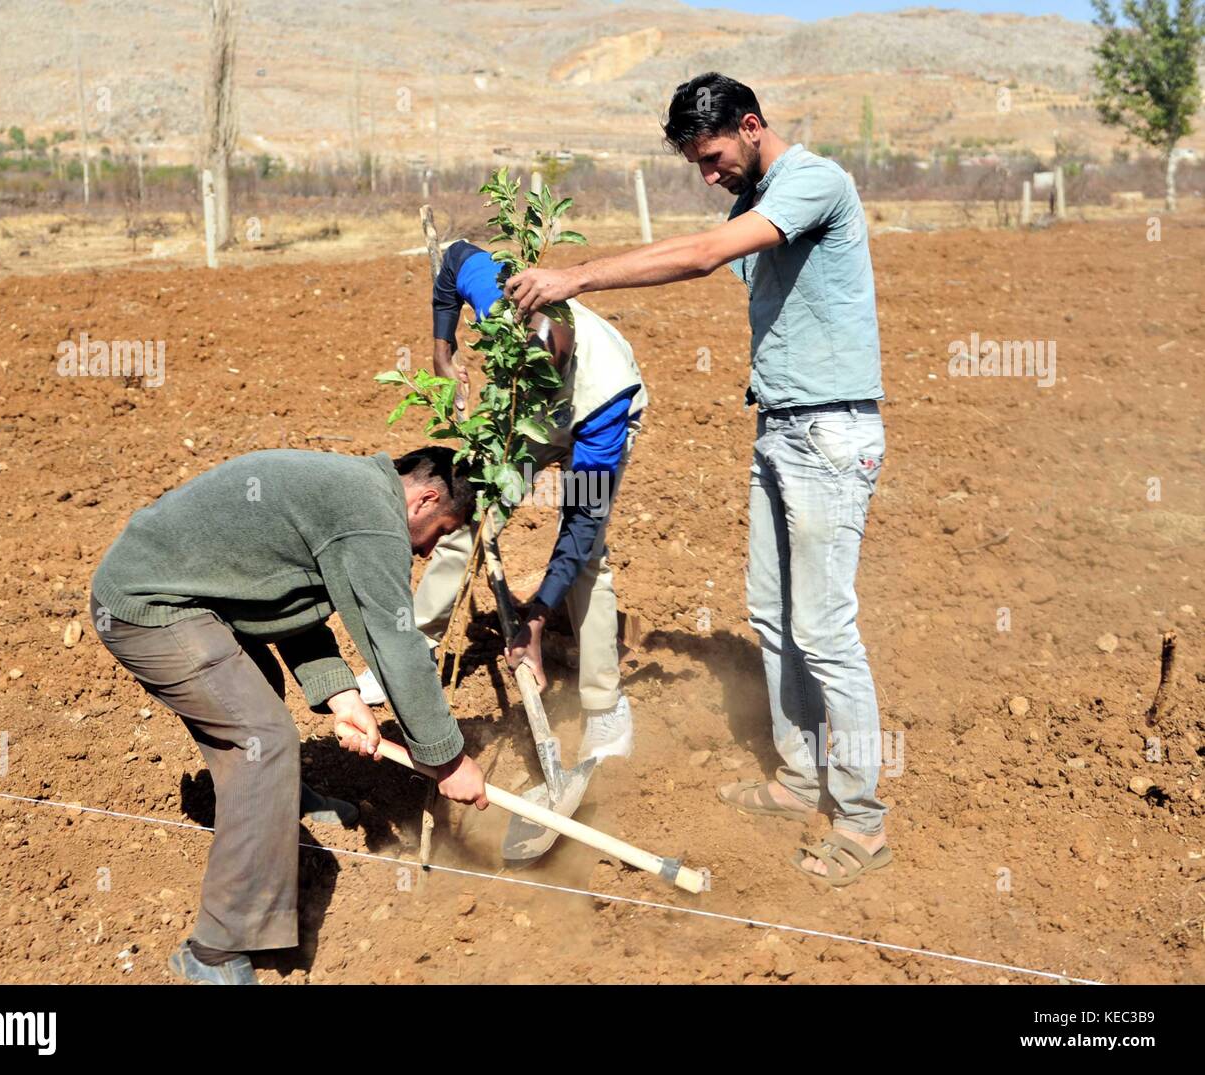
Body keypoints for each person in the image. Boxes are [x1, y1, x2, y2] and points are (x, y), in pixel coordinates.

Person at [503, 73, 891, 886]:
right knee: (773, 615)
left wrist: (578, 277)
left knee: (824, 630)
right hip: (782, 427)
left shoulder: (813, 181)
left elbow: (705, 256)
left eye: (712, 157)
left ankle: (861, 821)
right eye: (695, 164)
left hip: (829, 431)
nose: (708, 175)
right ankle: (797, 776)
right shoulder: (754, 196)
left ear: (751, 126)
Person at [91, 446, 488, 984]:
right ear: (427, 498)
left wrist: (341, 694)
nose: (429, 551)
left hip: (197, 598)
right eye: (442, 531)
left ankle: (281, 800)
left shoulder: (354, 492)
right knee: (263, 736)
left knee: (259, 694)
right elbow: (394, 645)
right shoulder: (371, 521)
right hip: (148, 608)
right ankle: (213, 952)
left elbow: (283, 597)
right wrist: (447, 758)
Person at [359, 238, 648, 763]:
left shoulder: (603, 400)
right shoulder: (506, 295)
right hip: (524, 417)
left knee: (589, 561)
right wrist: (442, 351)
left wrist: (534, 621)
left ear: (561, 363)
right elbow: (453, 258)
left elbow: (579, 526)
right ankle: (414, 648)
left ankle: (605, 706)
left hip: (589, 417)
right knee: (468, 512)